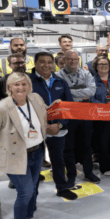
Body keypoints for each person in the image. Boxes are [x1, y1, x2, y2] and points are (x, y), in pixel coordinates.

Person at [0, 72, 48, 219]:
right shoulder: (1, 108)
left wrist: (56, 105)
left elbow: (44, 113)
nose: (21, 88)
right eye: (16, 85)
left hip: (37, 151)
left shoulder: (35, 99)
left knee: (34, 189)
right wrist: (1, 151)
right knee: (25, 192)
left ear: (29, 86)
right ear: (9, 87)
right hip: (15, 155)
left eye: (24, 84)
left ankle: (29, 217)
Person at [28, 52, 78, 200]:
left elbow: (68, 106)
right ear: (35, 63)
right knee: (35, 163)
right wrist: (44, 126)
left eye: (49, 62)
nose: (46, 65)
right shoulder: (28, 82)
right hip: (35, 131)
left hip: (57, 130)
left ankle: (61, 188)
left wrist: (60, 125)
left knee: (58, 160)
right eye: (42, 62)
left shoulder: (60, 82)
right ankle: (32, 195)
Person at [56, 50, 99, 184]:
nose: (72, 62)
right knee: (69, 146)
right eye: (70, 59)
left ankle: (88, 172)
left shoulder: (86, 73)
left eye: (75, 60)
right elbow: (60, 94)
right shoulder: (58, 76)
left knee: (86, 145)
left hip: (84, 113)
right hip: (67, 114)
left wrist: (69, 92)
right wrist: (79, 92)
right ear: (65, 60)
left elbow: (91, 91)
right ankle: (71, 175)